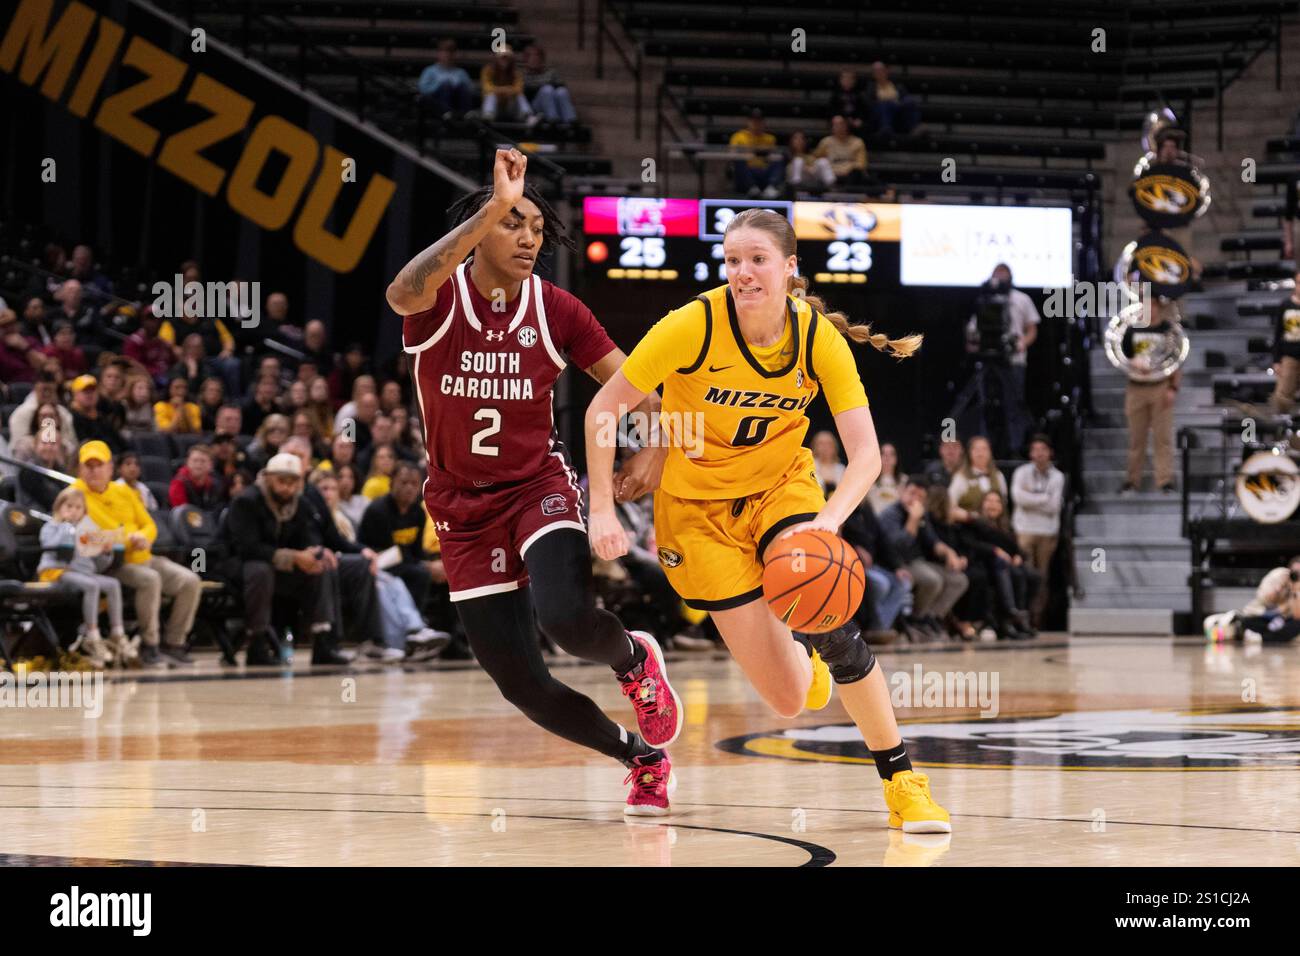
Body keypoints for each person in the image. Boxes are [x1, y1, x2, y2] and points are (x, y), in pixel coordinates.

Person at [585, 206, 950, 831]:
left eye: (758, 260)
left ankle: (901, 779)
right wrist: (602, 509)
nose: (744, 273)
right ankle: (798, 663)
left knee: (833, 617)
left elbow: (864, 453)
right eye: (732, 261)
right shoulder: (690, 326)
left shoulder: (816, 339)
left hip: (781, 489)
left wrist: (828, 522)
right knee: (787, 699)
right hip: (697, 514)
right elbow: (602, 408)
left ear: (789, 268)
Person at [385, 147, 681, 814]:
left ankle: (633, 660)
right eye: (511, 223)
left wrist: (657, 451)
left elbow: (648, 397)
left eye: (537, 229)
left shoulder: (559, 311)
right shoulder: (438, 302)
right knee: (521, 683)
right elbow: (401, 290)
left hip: (536, 487)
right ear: (481, 226)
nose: (528, 238)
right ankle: (639, 758)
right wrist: (488, 204)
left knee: (567, 619)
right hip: (460, 508)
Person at [72, 440, 202, 668]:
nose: (93, 470)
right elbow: (85, 536)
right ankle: (149, 646)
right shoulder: (74, 496)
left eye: (98, 464)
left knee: (191, 580)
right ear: (80, 469)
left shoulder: (124, 491)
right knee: (149, 580)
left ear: (110, 468)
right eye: (88, 465)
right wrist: (126, 538)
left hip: (145, 556)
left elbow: (149, 525)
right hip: (110, 564)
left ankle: (174, 644)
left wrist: (144, 537)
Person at [310, 467, 449, 661]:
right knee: (384, 584)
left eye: (333, 489)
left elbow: (347, 544)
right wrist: (363, 554)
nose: (329, 494)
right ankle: (396, 640)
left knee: (399, 581)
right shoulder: (374, 510)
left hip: (366, 565)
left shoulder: (339, 518)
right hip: (356, 568)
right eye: (323, 489)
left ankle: (414, 633)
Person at [220, 453, 339, 667]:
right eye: (281, 481)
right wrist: (294, 557)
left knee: (319, 567)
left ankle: (323, 642)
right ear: (267, 478)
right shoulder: (246, 501)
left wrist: (315, 551)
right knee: (260, 570)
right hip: (238, 567)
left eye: (293, 482)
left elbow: (308, 535)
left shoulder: (300, 503)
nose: (287, 487)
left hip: (277, 567)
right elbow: (248, 548)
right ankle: (257, 644)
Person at [36, 486, 129, 667]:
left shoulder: (86, 531)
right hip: (55, 572)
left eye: (78, 508)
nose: (73, 511)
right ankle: (92, 636)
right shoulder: (51, 526)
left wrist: (105, 552)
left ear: (84, 511)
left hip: (80, 573)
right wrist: (67, 529)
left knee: (112, 583)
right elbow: (50, 545)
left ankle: (117, 632)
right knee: (91, 585)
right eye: (69, 506)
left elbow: (97, 566)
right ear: (59, 508)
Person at [880, 476, 970, 643]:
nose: (915, 499)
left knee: (959, 580)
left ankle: (933, 617)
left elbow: (933, 541)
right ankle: (916, 618)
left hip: (918, 562)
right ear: (902, 492)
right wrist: (913, 520)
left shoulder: (922, 514)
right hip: (896, 564)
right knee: (932, 580)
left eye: (920, 497)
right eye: (912, 493)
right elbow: (897, 548)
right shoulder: (890, 514)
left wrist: (950, 553)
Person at [964, 263, 1040, 456]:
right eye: (997, 275)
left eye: (1003, 275)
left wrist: (1022, 342)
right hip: (988, 358)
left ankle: (1016, 448)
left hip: (1013, 360)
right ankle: (983, 450)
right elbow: (974, 329)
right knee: (984, 405)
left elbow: (1032, 329)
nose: (1000, 279)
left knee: (1014, 405)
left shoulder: (1022, 299)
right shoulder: (984, 300)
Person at [1120, 297, 1181, 493]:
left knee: (1162, 437)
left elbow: (1176, 360)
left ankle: (1165, 480)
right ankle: (1132, 480)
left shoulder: (1167, 330)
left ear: (1158, 307)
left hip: (1160, 386)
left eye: (1152, 305)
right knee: (1136, 438)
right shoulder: (1131, 330)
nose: (1149, 309)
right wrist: (1133, 363)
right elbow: (1121, 358)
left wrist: (1173, 388)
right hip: (1136, 386)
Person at [1011, 434, 1064, 628]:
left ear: (1050, 452)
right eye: (1036, 449)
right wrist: (1043, 498)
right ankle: (1020, 616)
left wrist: (1031, 499)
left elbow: (1054, 506)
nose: (1039, 454)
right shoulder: (1021, 472)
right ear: (1030, 453)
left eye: (1043, 449)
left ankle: (1037, 619)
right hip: (1025, 530)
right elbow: (1018, 498)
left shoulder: (1057, 476)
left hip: (1047, 532)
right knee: (1024, 573)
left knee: (1042, 578)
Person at [947, 436, 1008, 521]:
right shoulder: (961, 477)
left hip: (995, 528)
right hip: (969, 528)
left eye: (984, 449)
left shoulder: (998, 476)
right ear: (969, 453)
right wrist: (970, 517)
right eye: (976, 449)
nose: (980, 453)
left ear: (990, 452)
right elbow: (950, 506)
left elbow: (1004, 503)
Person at [729, 109, 784, 199]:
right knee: (738, 160)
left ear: (763, 122)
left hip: (764, 172)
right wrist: (748, 153)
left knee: (779, 158)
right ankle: (751, 187)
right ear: (748, 122)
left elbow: (772, 158)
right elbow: (732, 155)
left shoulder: (770, 138)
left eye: (759, 121)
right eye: (754, 120)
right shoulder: (738, 136)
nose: (756, 123)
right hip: (747, 172)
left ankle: (771, 186)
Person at [418, 39, 476, 119]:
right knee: (445, 85)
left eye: (450, 52)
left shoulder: (460, 72)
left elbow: (470, 89)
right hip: (437, 102)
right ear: (439, 54)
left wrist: (456, 86)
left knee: (462, 85)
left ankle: (465, 112)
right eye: (444, 52)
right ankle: (446, 112)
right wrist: (439, 85)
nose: (447, 55)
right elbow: (423, 90)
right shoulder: (430, 71)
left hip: (456, 102)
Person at [69, 375, 127, 454]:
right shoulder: (71, 417)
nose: (89, 394)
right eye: (85, 391)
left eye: (92, 390)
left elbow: (121, 444)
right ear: (75, 395)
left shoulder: (102, 418)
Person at [1269, 270, 1300, 413]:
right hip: (1290, 356)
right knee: (1282, 397)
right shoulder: (1285, 305)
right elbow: (1277, 334)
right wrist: (1276, 360)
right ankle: (1282, 427)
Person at [522, 45, 577, 124]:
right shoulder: (522, 75)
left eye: (537, 56)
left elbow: (560, 86)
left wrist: (540, 86)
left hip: (553, 102)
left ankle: (571, 120)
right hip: (533, 108)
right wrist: (544, 87)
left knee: (562, 91)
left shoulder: (551, 73)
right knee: (547, 90)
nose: (534, 59)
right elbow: (525, 93)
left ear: (542, 60)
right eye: (531, 57)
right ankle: (552, 120)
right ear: (526, 60)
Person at [479, 45, 533, 124]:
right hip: (495, 107)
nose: (505, 60)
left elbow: (519, 89)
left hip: (510, 107)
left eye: (507, 58)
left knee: (519, 95)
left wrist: (501, 91)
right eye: (502, 57)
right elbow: (486, 88)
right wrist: (506, 90)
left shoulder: (516, 73)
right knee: (491, 95)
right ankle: (488, 116)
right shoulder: (487, 70)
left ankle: (528, 116)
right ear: (497, 59)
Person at [813, 115, 869, 188]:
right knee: (821, 162)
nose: (838, 127)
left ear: (846, 125)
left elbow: (861, 165)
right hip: (831, 175)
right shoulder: (826, 142)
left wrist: (844, 170)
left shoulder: (857, 142)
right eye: (835, 124)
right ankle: (832, 187)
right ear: (832, 127)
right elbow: (815, 159)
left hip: (849, 176)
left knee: (856, 173)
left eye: (841, 124)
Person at [865, 61, 920, 135]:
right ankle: (886, 128)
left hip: (897, 110)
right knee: (885, 105)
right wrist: (887, 102)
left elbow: (904, 98)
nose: (879, 73)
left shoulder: (896, 85)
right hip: (881, 113)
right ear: (873, 74)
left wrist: (896, 103)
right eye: (876, 71)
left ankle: (914, 128)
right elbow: (870, 104)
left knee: (910, 101)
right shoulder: (871, 87)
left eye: (881, 70)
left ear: (887, 71)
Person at [123, 307, 175, 385]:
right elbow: (132, 367)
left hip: (167, 379)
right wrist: (155, 373)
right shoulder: (134, 342)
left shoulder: (163, 344)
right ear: (143, 320)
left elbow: (173, 362)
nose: (154, 323)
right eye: (150, 319)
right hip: (144, 382)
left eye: (157, 319)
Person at [169, 445, 224, 511]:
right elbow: (180, 512)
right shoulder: (178, 483)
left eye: (203, 461)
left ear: (211, 465)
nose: (198, 465)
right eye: (195, 461)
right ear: (187, 462)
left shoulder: (214, 484)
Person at [867, 441, 902, 514]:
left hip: (895, 521)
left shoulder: (904, 480)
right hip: (874, 521)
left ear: (896, 458)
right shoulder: (869, 480)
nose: (887, 457)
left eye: (891, 454)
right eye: (883, 454)